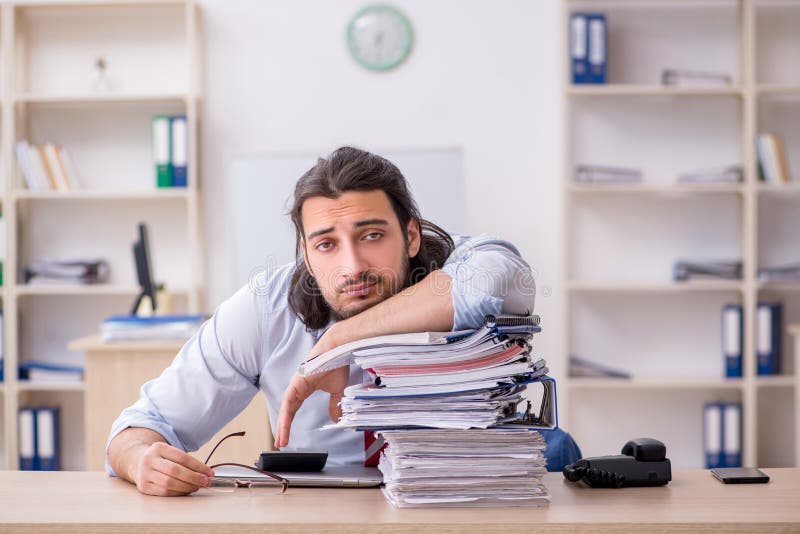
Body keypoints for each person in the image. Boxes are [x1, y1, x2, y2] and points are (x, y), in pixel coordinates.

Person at [106, 146, 536, 496]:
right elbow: (141, 426)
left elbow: (484, 291)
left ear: (409, 236)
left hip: (470, 498)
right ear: (306, 255)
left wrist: (340, 340)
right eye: (327, 244)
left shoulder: (469, 262)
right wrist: (142, 459)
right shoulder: (265, 308)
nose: (352, 266)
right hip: (329, 512)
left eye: (371, 236)